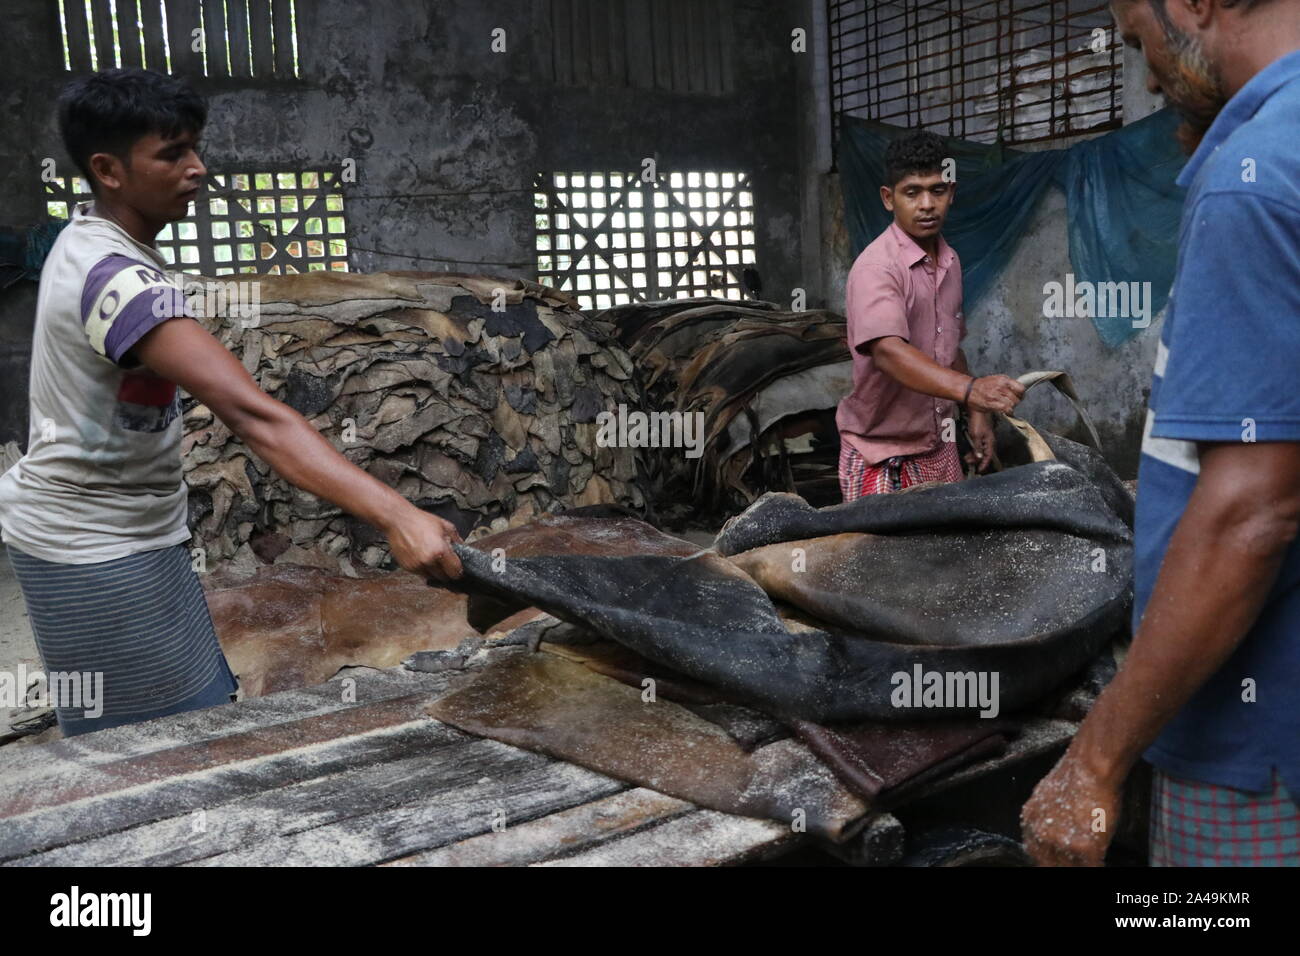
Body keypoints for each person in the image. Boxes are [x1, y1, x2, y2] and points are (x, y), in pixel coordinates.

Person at [0, 68, 462, 737]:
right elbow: (255, 416)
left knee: (197, 713)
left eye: (195, 148)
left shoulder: (92, 240)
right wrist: (397, 515)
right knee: (153, 746)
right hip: (86, 544)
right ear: (108, 169)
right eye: (172, 154)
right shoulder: (116, 278)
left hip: (135, 531)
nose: (198, 168)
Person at [1021, 0, 1300, 866]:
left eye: (1139, 37)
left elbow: (1253, 515)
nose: (1146, 73)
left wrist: (1093, 762)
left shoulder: (1254, 178)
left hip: (1255, 750)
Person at [835, 130, 1025, 501]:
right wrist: (972, 390)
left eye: (937, 191)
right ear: (889, 199)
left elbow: (948, 347)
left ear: (951, 193)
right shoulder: (877, 267)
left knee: (948, 556)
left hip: (939, 448)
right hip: (882, 456)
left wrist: (974, 410)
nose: (926, 204)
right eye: (912, 192)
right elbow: (888, 351)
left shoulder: (950, 261)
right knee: (883, 559)